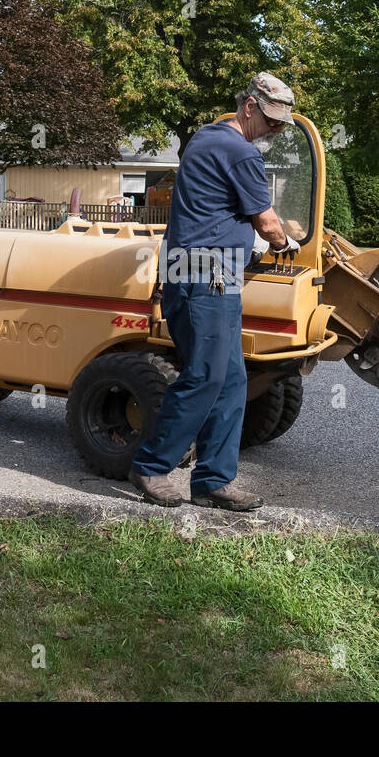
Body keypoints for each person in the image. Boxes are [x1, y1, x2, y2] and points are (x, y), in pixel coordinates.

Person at [128, 73, 301, 511]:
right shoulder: (241, 152)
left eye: (282, 122)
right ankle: (151, 465)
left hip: (194, 274)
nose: (277, 129)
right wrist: (285, 244)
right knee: (207, 376)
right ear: (248, 106)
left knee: (230, 381)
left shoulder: (206, 137)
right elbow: (267, 222)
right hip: (207, 277)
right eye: (272, 119)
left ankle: (213, 480)